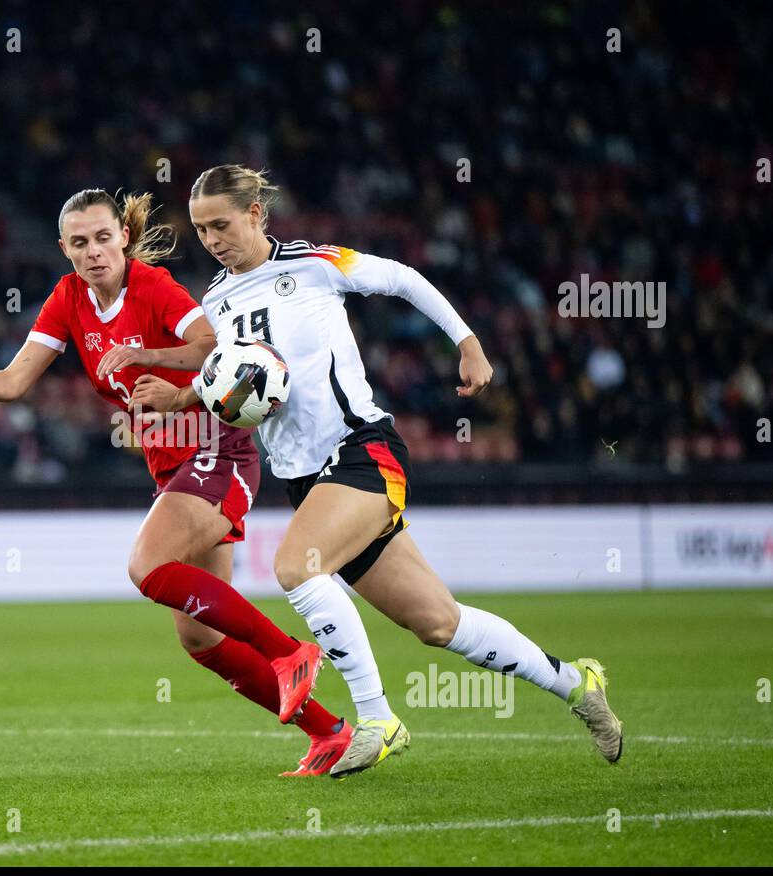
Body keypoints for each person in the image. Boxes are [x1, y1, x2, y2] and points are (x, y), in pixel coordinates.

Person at [132, 165, 623, 776]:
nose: (211, 239)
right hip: (306, 480)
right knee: (441, 624)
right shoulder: (216, 302)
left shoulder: (313, 263)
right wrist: (178, 398)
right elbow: (232, 389)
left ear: (257, 214)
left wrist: (467, 342)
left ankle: (377, 720)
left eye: (221, 224)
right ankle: (577, 683)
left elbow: (404, 280)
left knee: (296, 567)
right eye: (202, 229)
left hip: (361, 449)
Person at [0, 189, 356, 776]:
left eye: (103, 237)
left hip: (217, 447)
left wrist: (144, 352)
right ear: (65, 250)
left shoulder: (153, 286)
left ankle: (290, 652)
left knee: (146, 567)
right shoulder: (69, 299)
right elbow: (15, 380)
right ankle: (330, 733)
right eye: (79, 243)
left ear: (123, 238)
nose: (94, 251)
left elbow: (214, 344)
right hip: (172, 469)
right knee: (200, 638)